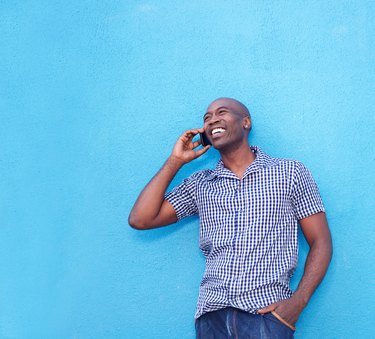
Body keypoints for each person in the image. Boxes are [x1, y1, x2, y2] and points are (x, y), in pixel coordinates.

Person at [128, 98, 332, 338]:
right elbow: (141, 219)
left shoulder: (289, 172)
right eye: (207, 118)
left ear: (245, 122)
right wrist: (176, 161)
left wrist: (296, 304)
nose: (212, 119)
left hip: (265, 314)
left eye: (222, 112)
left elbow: (321, 241)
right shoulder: (200, 184)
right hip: (211, 319)